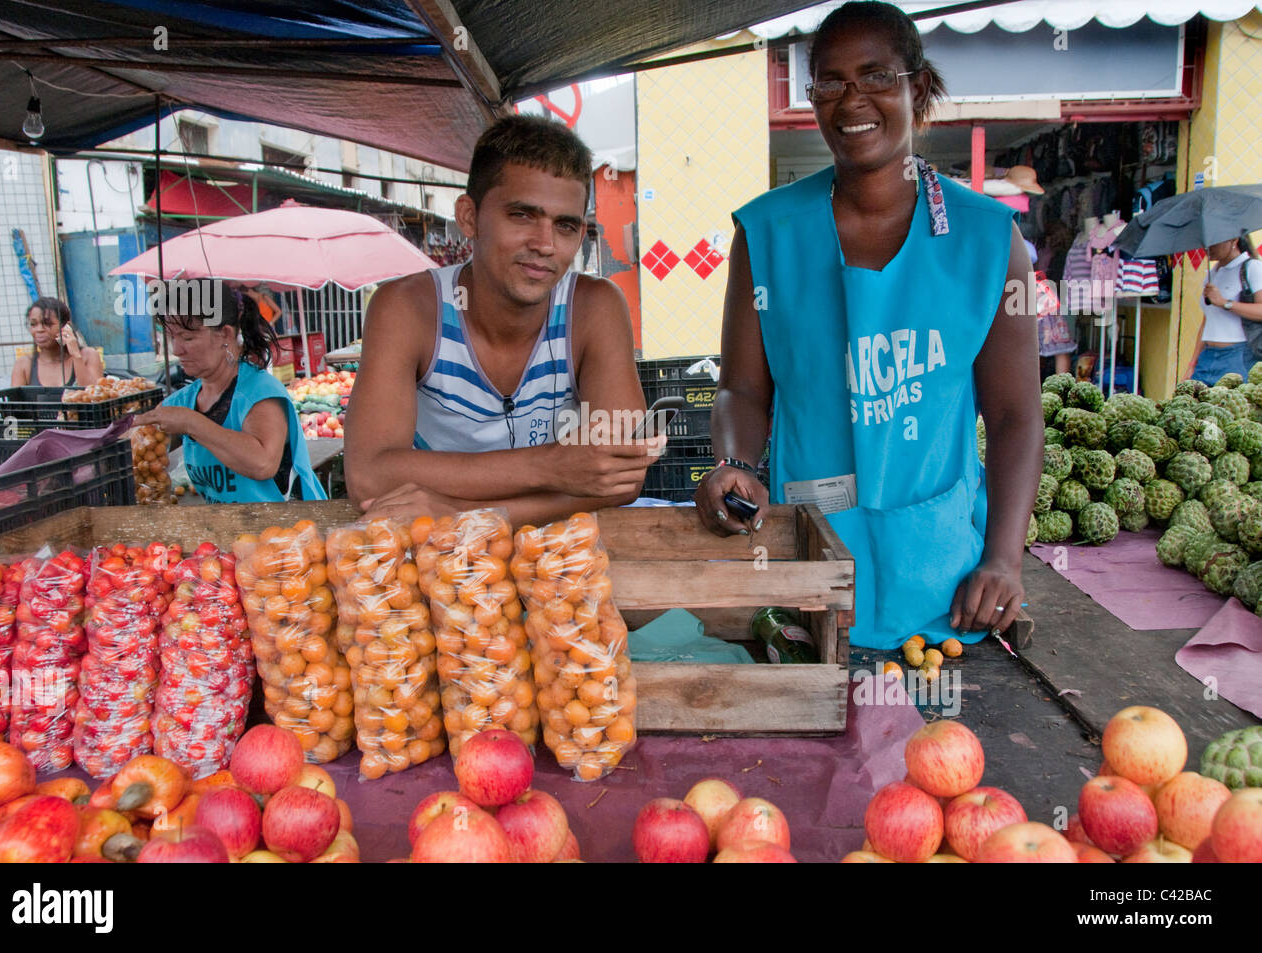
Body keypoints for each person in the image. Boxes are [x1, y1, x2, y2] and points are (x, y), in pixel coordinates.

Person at [695, 1, 1042, 650]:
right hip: (809, 586)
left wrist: (1004, 559)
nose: (852, 99)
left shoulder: (988, 240)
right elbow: (742, 389)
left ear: (919, 86)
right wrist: (734, 462)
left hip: (948, 590)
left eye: (876, 76)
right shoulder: (767, 235)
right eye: (830, 81)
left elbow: (1017, 414)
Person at [345, 115, 657, 526]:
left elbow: (621, 477)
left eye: (564, 225)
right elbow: (369, 477)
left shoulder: (595, 307)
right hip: (429, 555)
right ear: (470, 217)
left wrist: (463, 515)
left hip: (553, 557)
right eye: (522, 216)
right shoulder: (408, 308)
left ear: (580, 236)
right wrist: (553, 467)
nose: (544, 244)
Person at [135, 280, 326, 503]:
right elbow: (144, 446)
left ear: (225, 334)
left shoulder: (259, 392)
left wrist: (191, 423)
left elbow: (263, 463)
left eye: (187, 337)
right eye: (172, 337)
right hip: (230, 531)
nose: (176, 349)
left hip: (288, 532)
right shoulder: (184, 401)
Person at [1187, 235, 1262, 383]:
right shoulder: (1212, 273)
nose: (1208, 247)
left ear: (1234, 240)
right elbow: (1207, 321)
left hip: (1238, 357)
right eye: (1206, 243)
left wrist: (1224, 303)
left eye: (1215, 242)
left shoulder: (1252, 267)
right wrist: (1192, 364)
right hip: (1207, 356)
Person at [10, 297, 104, 388]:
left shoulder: (88, 356)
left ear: (65, 327)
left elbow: (94, 397)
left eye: (47, 323)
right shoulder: (24, 364)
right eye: (33, 324)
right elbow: (14, 403)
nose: (39, 330)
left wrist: (76, 355)